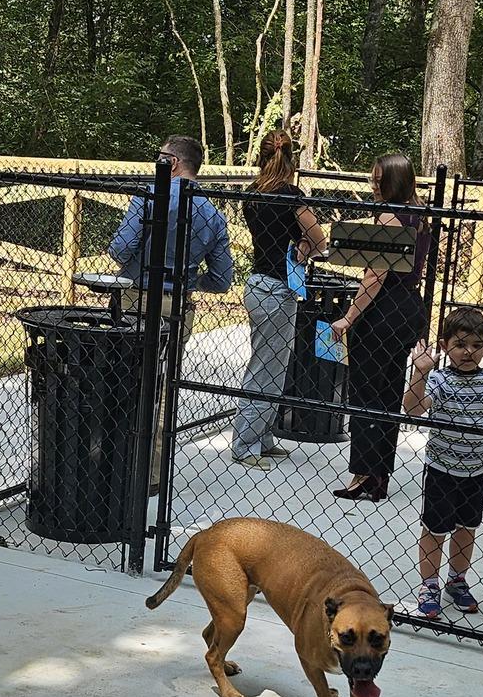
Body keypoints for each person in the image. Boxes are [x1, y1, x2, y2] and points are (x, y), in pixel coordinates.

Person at [329, 151, 431, 501]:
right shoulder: (419, 214)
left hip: (383, 311)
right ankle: (378, 474)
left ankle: (364, 474)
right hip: (408, 307)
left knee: (365, 395)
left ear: (394, 181)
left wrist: (349, 316)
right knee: (387, 394)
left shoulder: (388, 214)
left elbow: (375, 274)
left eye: (379, 178)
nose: (373, 183)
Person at [404, 307, 483, 620]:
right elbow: (412, 410)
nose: (469, 352)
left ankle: (457, 580)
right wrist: (420, 372)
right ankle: (429, 584)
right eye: (461, 344)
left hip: (475, 471)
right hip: (441, 469)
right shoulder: (439, 380)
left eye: (477, 345)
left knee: (467, 528)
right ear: (444, 345)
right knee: (435, 528)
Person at [232, 124, 329, 468]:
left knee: (270, 365)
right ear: (291, 160)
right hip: (278, 289)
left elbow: (268, 237)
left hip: (257, 282)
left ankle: (262, 435)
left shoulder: (252, 193)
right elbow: (320, 240)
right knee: (266, 368)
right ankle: (245, 445)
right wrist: (304, 245)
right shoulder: (291, 195)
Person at [107, 134, 236, 317]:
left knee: (125, 346)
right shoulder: (214, 215)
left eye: (159, 158)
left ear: (173, 162)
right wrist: (190, 280)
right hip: (179, 306)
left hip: (134, 300)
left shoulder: (148, 195)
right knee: (172, 346)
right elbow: (221, 280)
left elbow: (121, 249)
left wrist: (130, 264)